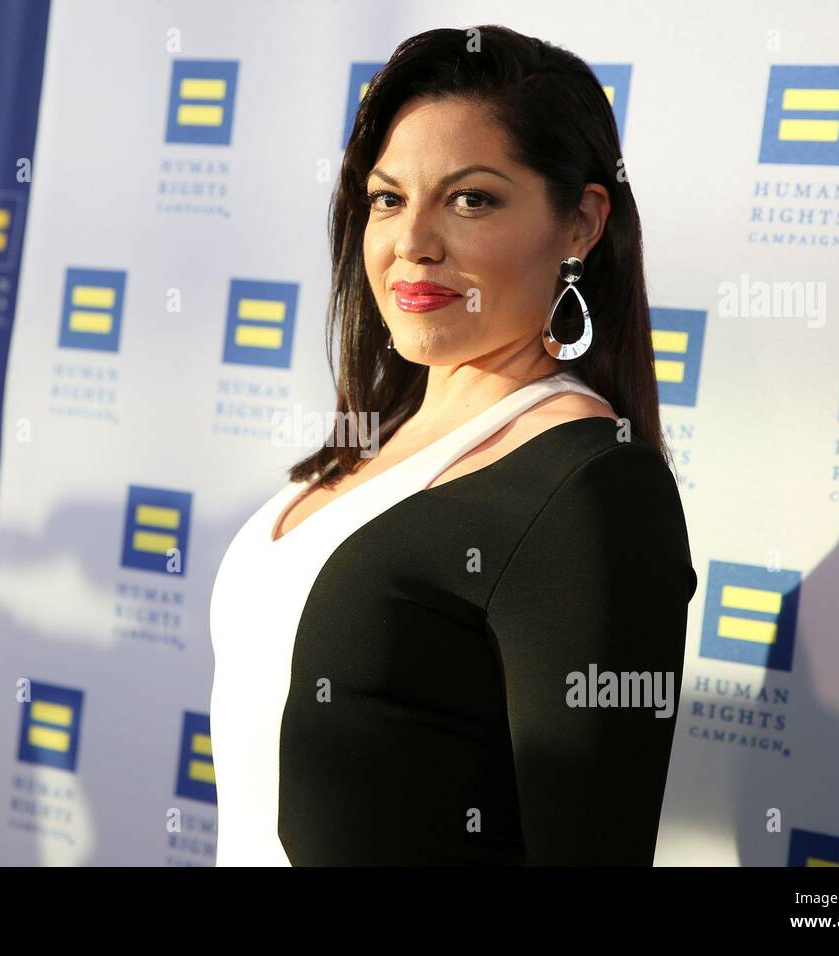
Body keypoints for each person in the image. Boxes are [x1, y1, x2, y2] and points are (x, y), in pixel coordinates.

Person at [208, 24, 697, 866]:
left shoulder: (590, 487)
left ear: (580, 222)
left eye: (470, 199)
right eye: (388, 198)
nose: (413, 243)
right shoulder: (375, 440)